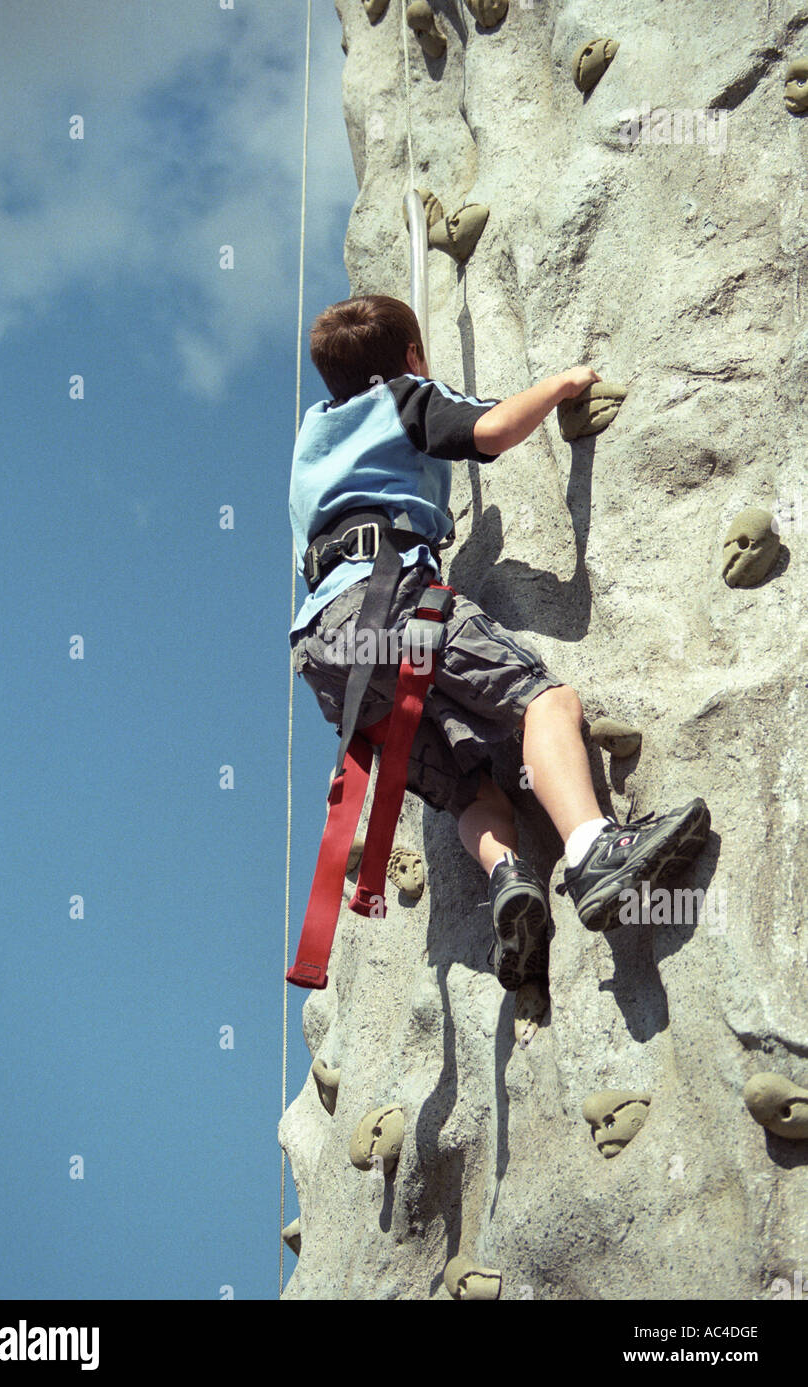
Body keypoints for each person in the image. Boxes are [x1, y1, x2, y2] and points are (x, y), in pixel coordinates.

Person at [289, 294, 710, 991]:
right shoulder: (402, 395)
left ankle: (511, 882)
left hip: (326, 652)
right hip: (390, 601)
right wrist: (556, 386)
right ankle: (593, 850)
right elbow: (487, 431)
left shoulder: (313, 435)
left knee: (469, 789)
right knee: (544, 701)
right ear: (412, 358)